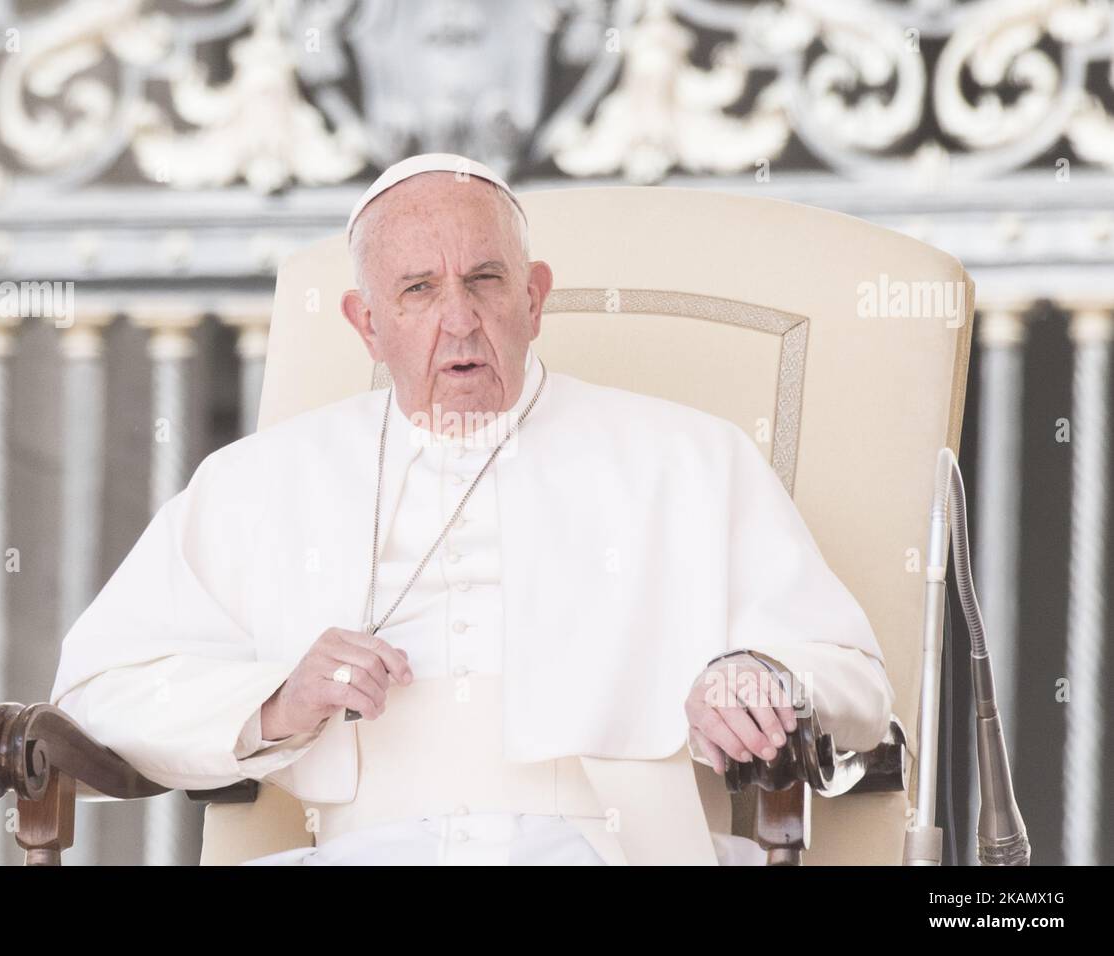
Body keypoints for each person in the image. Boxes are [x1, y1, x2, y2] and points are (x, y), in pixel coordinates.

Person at [50, 153, 895, 865]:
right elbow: (98, 687)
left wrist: (758, 678)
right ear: (366, 323)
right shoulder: (257, 481)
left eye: (485, 280)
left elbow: (849, 672)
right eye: (418, 290)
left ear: (534, 298)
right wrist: (275, 701)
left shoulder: (690, 457)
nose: (459, 320)